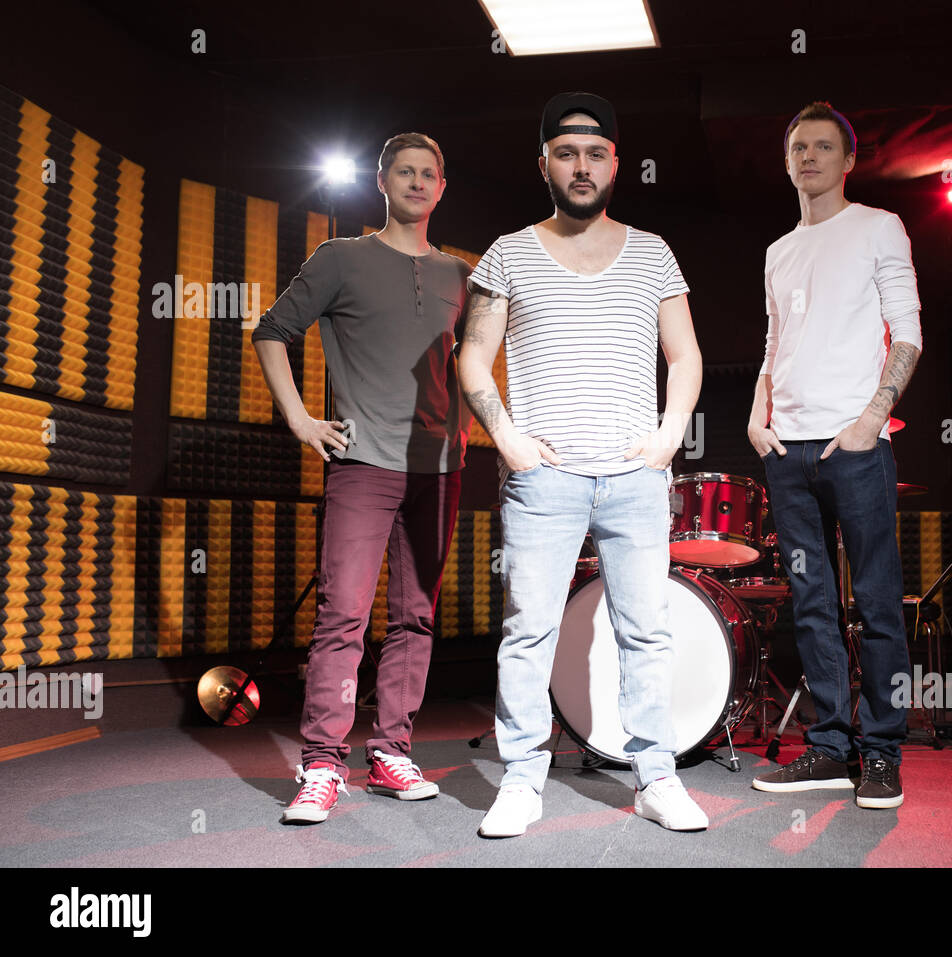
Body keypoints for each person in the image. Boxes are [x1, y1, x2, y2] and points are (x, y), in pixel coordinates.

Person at [457, 92, 708, 837]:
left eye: (596, 153)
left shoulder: (653, 251)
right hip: (546, 478)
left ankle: (656, 777)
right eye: (566, 152)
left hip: (634, 476)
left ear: (615, 164)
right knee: (528, 629)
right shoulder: (507, 251)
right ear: (544, 164)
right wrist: (507, 439)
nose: (582, 165)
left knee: (646, 631)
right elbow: (472, 353)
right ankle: (522, 780)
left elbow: (686, 353)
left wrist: (669, 436)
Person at [252, 133, 470, 824]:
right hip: (362, 463)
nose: (416, 181)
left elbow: (473, 362)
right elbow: (271, 330)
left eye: (427, 173)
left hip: (440, 468)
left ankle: (390, 751)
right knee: (343, 615)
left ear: (441, 187)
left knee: (416, 617)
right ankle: (321, 763)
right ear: (382, 180)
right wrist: (299, 419)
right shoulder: (340, 258)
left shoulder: (459, 275)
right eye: (403, 170)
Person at [748, 102, 922, 809]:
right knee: (813, 604)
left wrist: (869, 419)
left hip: (855, 446)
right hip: (786, 449)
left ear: (849, 161)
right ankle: (829, 747)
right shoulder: (778, 250)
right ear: (787, 161)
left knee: (877, 600)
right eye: (799, 147)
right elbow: (772, 345)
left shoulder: (880, 227)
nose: (810, 156)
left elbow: (908, 333)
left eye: (824, 146)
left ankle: (881, 753)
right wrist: (757, 414)